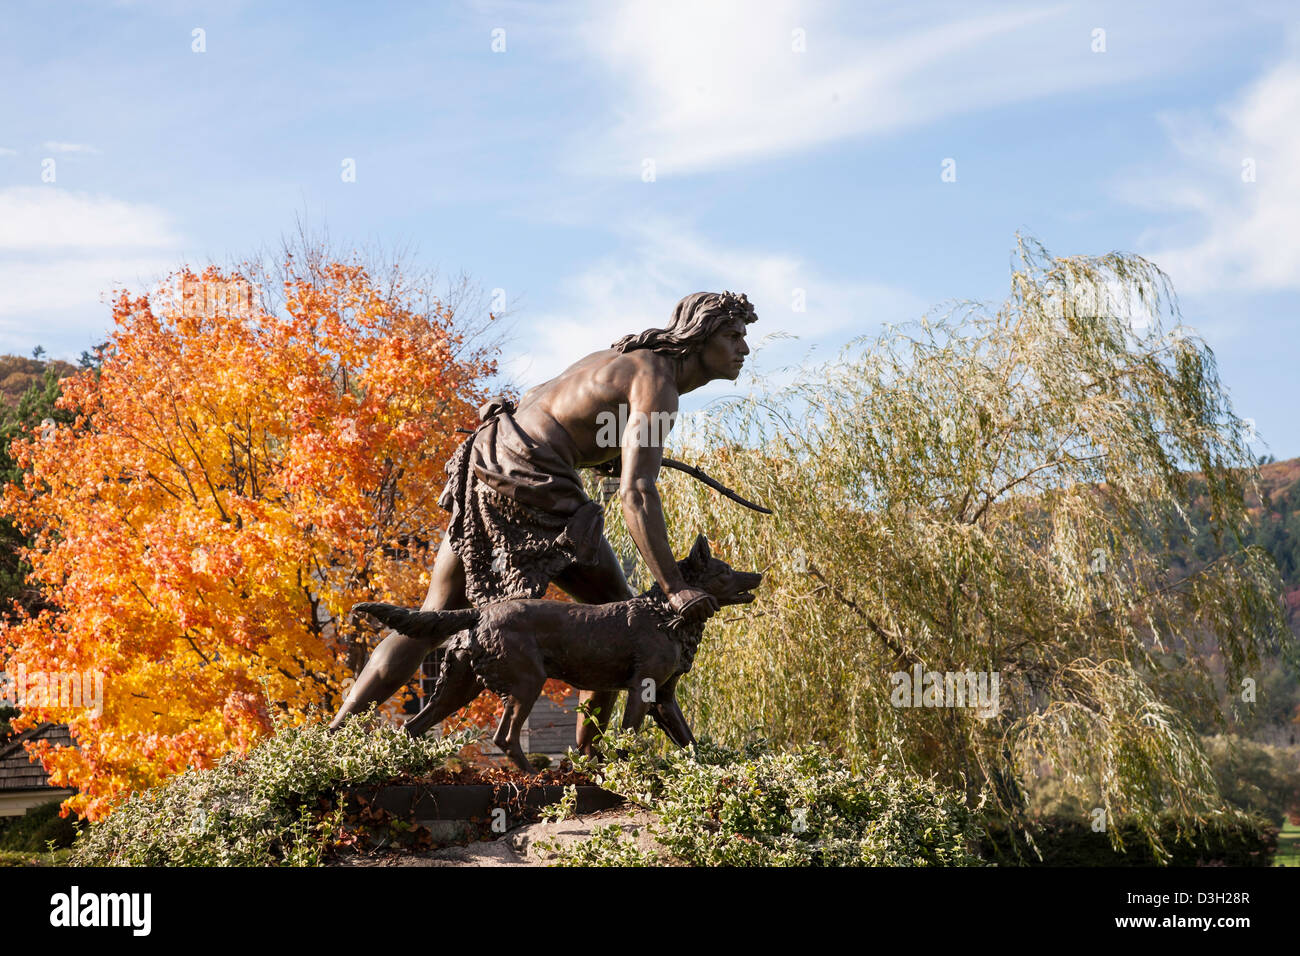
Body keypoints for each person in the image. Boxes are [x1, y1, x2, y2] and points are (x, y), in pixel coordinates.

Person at [329, 290, 757, 750]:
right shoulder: (658, 388)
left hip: (490, 455)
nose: (744, 349)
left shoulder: (625, 359)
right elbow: (636, 494)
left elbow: (555, 413)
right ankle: (590, 769)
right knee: (619, 618)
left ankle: (329, 744)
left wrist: (600, 456)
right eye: (733, 336)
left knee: (434, 615)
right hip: (533, 476)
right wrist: (675, 587)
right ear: (700, 335)